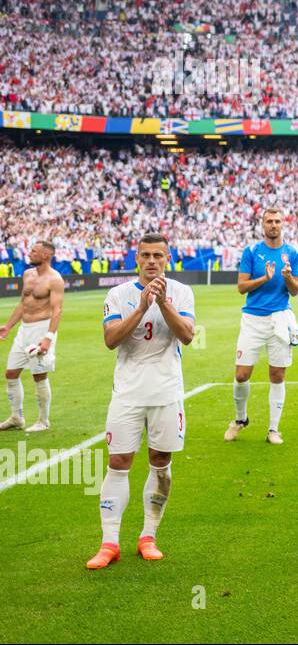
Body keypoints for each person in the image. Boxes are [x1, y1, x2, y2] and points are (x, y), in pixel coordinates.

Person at [86, 232, 195, 569]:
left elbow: (188, 336)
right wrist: (142, 306)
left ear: (168, 259)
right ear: (137, 259)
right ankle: (109, 543)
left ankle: (148, 536)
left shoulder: (181, 292)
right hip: (128, 392)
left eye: (158, 256)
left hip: (166, 392)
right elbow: (111, 340)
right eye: (145, 255)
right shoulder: (118, 294)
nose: (151, 261)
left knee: (160, 461)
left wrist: (162, 303)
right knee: (118, 462)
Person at [225, 208, 298, 445]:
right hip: (252, 319)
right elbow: (241, 287)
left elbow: (295, 290)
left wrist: (287, 277)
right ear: (262, 225)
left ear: (283, 224)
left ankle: (273, 429)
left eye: (278, 221)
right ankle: (240, 420)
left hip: (279, 319)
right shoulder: (251, 251)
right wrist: (265, 279)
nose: (273, 225)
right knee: (241, 374)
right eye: (269, 221)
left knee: (277, 374)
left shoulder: (293, 252)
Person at [1, 240, 63, 433]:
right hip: (23, 329)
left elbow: (57, 310)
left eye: (34, 251)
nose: (29, 253)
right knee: (11, 373)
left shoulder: (55, 279)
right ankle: (16, 417)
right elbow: (23, 304)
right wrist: (8, 327)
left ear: (46, 255)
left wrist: (48, 337)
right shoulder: (27, 274)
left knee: (39, 375)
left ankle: (43, 420)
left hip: (41, 329)